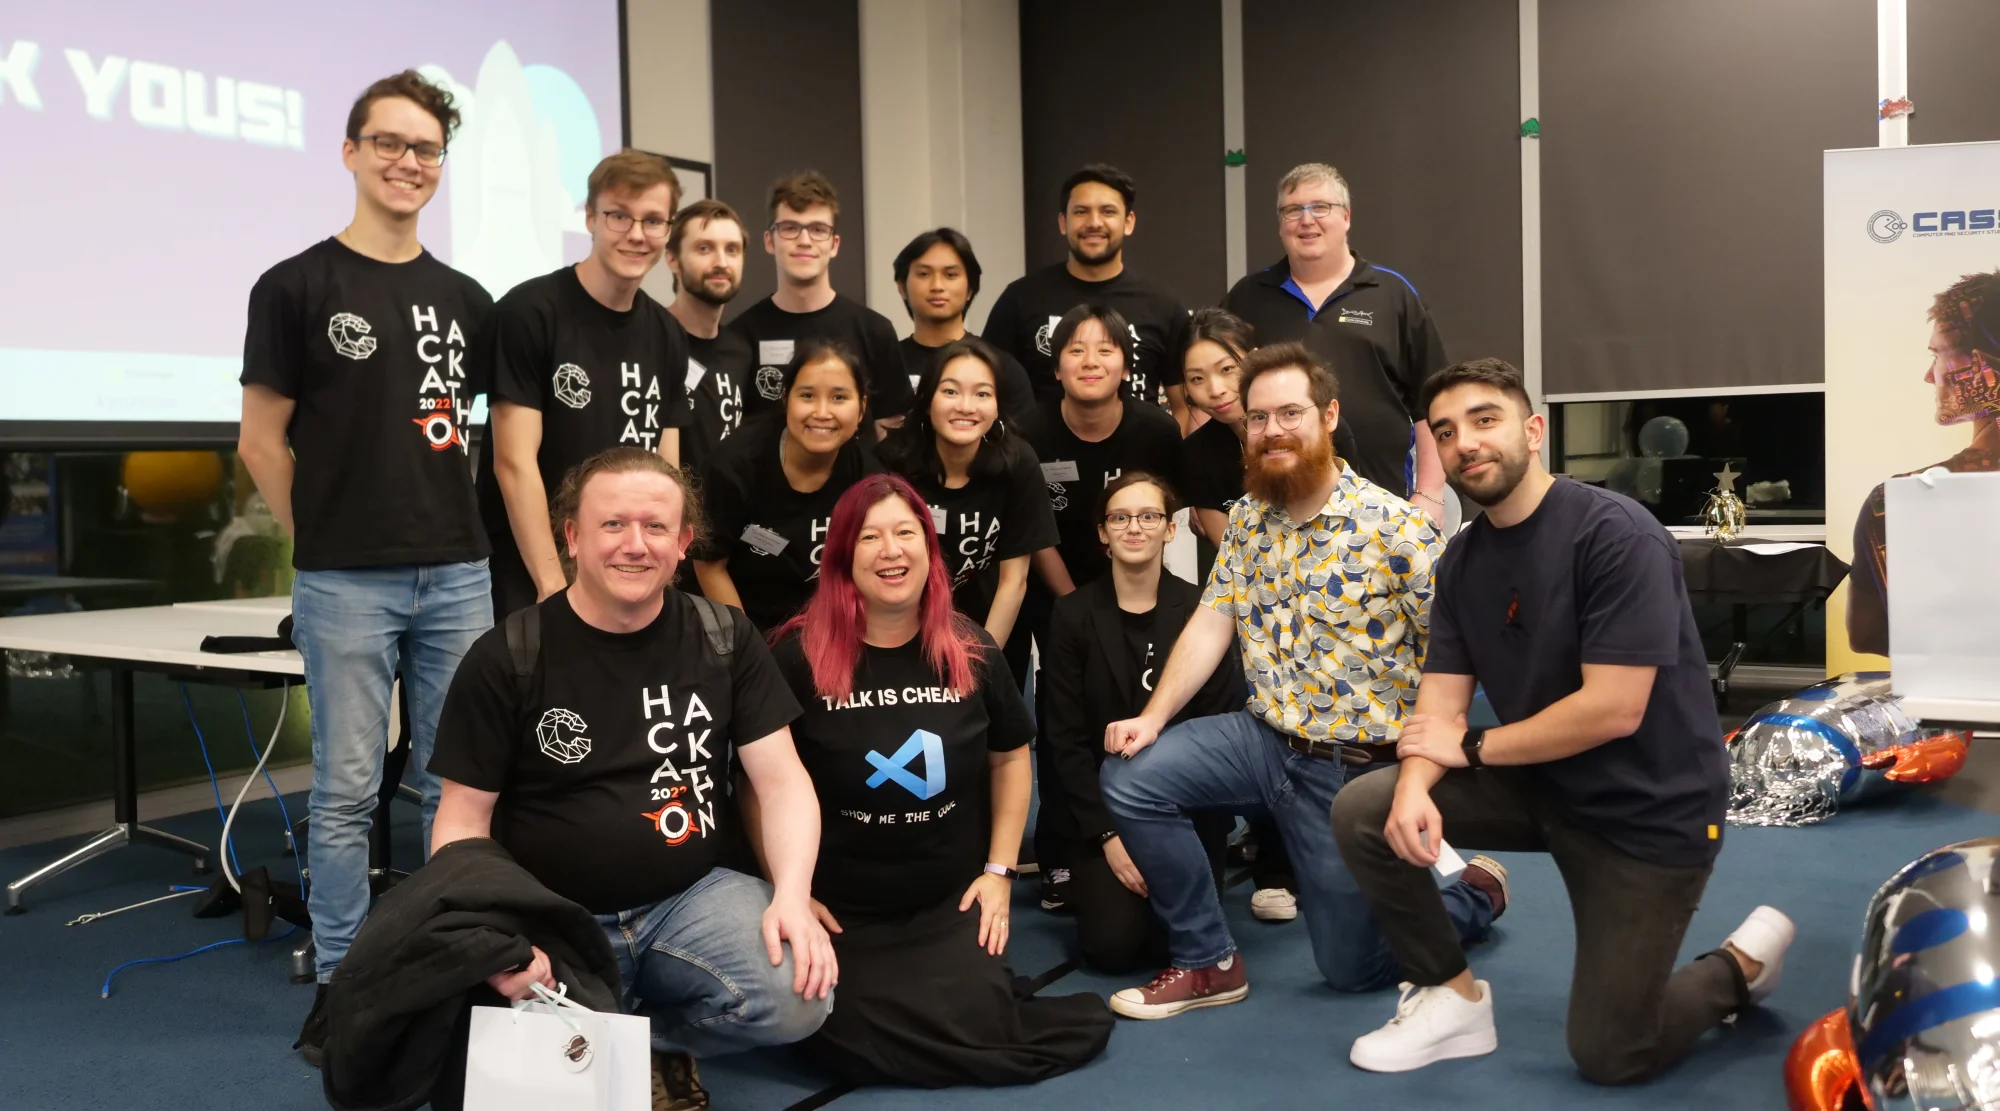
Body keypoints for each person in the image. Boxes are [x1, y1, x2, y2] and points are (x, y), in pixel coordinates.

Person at [1330, 358, 1795, 1080]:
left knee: (1613, 1052)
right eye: (1448, 432)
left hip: (1649, 813)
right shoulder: (1460, 563)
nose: (1467, 444)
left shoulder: (1615, 534)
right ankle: (1452, 997)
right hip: (1544, 786)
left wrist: (1474, 746)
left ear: (1534, 429)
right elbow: (1441, 707)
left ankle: (1737, 968)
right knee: (1368, 807)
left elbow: (1614, 707)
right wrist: (1417, 782)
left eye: (1486, 420)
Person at [1096, 341, 1505, 1020]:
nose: (1273, 430)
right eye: (1259, 418)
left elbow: (1455, 660)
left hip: (1349, 771)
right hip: (1262, 740)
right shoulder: (1251, 517)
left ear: (1330, 415)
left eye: (1290, 412)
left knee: (1351, 969)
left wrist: (1422, 772)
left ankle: (1468, 895)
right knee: (1131, 775)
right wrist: (1155, 716)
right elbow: (1212, 618)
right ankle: (1207, 961)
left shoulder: (1397, 528)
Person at [426, 447, 834, 1108]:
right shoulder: (509, 654)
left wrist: (791, 892)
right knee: (502, 1087)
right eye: (613, 524)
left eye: (654, 527)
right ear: (573, 537)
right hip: (555, 915)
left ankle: (647, 1045)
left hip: (689, 898)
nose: (634, 545)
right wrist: (493, 940)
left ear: (682, 542)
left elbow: (782, 780)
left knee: (798, 993)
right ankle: (606, 1046)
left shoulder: (724, 636)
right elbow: (460, 821)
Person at [236, 71, 496, 1057]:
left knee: (455, 786)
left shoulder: (467, 299)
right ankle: (346, 976)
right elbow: (262, 439)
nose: (406, 162)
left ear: (439, 167)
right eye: (388, 142)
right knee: (346, 787)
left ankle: (442, 952)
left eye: (424, 148)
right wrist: (317, 545)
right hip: (344, 578)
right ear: (349, 151)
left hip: (457, 572)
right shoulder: (295, 285)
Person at [763, 473, 1113, 1086]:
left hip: (945, 901)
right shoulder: (797, 658)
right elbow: (760, 783)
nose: (891, 551)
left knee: (980, 1020)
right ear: (842, 554)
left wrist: (1000, 872)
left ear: (930, 551)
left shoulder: (970, 649)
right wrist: (786, 888)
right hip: (844, 910)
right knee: (824, 1024)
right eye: (870, 536)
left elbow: (1010, 759)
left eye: (906, 533)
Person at [476, 149, 694, 618]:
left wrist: (658, 577)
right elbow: (513, 463)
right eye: (619, 216)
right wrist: (554, 586)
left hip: (628, 576)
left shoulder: (667, 334)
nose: (637, 234)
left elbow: (666, 473)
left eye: (653, 220)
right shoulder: (530, 312)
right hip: (533, 577)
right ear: (590, 217)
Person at [1038, 472, 1239, 971]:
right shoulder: (1071, 615)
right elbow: (1063, 740)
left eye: (1149, 516)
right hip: (1104, 814)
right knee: (1112, 949)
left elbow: (1219, 725)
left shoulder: (1203, 611)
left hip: (1186, 809)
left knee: (1179, 937)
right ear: (1102, 532)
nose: (1135, 528)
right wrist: (1109, 838)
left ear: (1170, 530)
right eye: (1120, 517)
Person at [1178, 309, 1311, 924]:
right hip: (1249, 606)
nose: (1215, 390)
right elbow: (1231, 541)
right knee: (1258, 722)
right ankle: (1268, 852)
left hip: (1322, 599)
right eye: (1197, 379)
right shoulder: (1201, 452)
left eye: (1226, 369)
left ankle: (1294, 858)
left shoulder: (1306, 426)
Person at [1223, 162, 1450, 513]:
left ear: (1346, 217)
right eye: (1293, 210)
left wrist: (1431, 493)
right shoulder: (1247, 298)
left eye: (1321, 207)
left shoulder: (1393, 294)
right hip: (1274, 507)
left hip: (1382, 506)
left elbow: (1433, 403)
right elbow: (1212, 393)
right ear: (1280, 224)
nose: (1306, 220)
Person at [1846, 269, 2000, 655]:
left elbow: (1866, 635)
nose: (1930, 376)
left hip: (1962, 707)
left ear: (1981, 368)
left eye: (1938, 355)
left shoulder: (1896, 502)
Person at [877, 337, 1056, 658]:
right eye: (950, 391)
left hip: (991, 633)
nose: (965, 406)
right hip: (901, 637)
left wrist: (981, 661)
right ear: (928, 399)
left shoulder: (1018, 462)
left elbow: (1013, 582)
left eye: (982, 394)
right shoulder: (891, 461)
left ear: (998, 404)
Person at [982, 164, 1192, 431]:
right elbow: (987, 387)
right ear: (1062, 222)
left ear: (1128, 222)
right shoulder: (1020, 299)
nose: (1094, 223)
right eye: (1081, 212)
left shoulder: (1163, 306)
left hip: (1141, 464)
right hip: (1039, 462)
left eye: (1108, 212)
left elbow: (1184, 409)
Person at [693, 339, 883, 631]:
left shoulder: (869, 477)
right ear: (785, 400)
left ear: (861, 409)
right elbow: (709, 565)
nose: (822, 412)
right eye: (807, 395)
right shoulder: (733, 466)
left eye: (839, 398)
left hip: (825, 629)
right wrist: (747, 653)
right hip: (739, 622)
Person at [1016, 304, 1188, 602]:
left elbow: (1159, 521)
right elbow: (1034, 534)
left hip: (1139, 589)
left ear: (1126, 369)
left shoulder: (1158, 433)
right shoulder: (1026, 436)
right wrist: (1072, 605)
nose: (1090, 362)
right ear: (1057, 368)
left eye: (1105, 351)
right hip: (1052, 593)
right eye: (1076, 351)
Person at [728, 171, 913, 435]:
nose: (804, 241)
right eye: (790, 228)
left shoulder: (875, 331)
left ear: (834, 245)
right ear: (770, 241)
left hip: (858, 477)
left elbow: (893, 432)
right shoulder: (740, 337)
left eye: (818, 230)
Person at [892, 227, 1036, 427]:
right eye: (924, 274)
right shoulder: (887, 365)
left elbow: (1022, 447)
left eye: (950, 275)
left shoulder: (1002, 367)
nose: (937, 286)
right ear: (902, 287)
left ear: (970, 289)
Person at [665, 198, 754, 479]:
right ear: (672, 259)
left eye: (732, 250)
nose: (721, 262)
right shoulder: (650, 339)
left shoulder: (740, 351)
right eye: (704, 248)